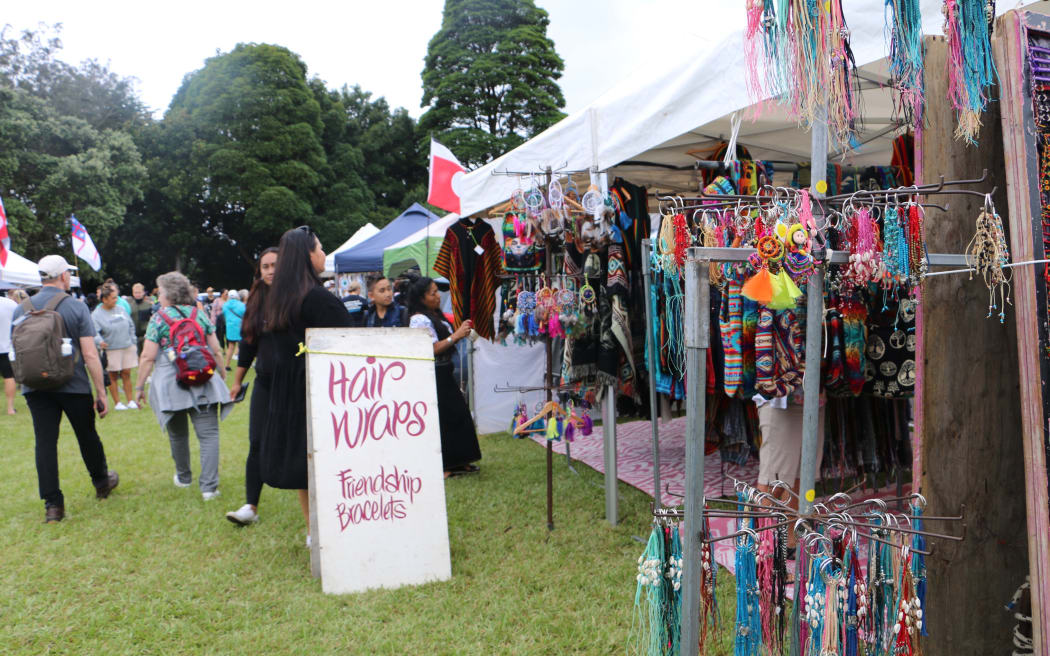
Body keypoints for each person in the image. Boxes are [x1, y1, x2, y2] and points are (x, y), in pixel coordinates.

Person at [255, 226, 352, 543]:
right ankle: (334, 525)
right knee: (326, 457)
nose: (324, 254)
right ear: (307, 256)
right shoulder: (316, 298)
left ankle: (313, 529)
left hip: (291, 390)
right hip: (322, 389)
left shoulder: (281, 298)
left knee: (305, 459)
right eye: (321, 247)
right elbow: (351, 342)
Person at [13, 255, 118, 523]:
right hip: (73, 385)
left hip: (35, 386)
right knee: (87, 435)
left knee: (45, 444)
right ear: (63, 276)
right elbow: (90, 354)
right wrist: (101, 391)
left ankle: (53, 506)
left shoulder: (21, 308)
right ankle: (101, 482)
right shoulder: (76, 307)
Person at [135, 271, 229, 500]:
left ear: (167, 293)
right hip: (203, 377)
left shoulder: (159, 318)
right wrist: (221, 371)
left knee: (178, 435)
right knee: (208, 435)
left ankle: (184, 477)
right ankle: (209, 488)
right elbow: (215, 348)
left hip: (171, 381)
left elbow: (148, 356)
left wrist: (139, 388)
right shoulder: (199, 314)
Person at [406, 276, 481, 478]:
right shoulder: (418, 319)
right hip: (433, 375)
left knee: (458, 416)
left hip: (444, 372)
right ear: (422, 298)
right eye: (433, 293)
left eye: (437, 291)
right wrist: (454, 336)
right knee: (444, 421)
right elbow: (429, 348)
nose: (438, 296)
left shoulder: (433, 315)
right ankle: (446, 465)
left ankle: (462, 460)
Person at [225, 247, 278, 526]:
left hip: (295, 385)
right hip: (265, 383)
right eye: (265, 266)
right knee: (256, 442)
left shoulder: (299, 299)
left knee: (299, 445)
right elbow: (248, 346)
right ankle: (250, 506)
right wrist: (236, 381)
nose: (270, 270)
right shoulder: (255, 303)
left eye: (274, 265)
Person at [92, 283, 139, 410]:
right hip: (111, 348)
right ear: (104, 299)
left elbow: (130, 325)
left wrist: (133, 340)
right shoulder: (97, 314)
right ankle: (118, 403)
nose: (115, 300)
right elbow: (94, 332)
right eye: (113, 298)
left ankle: (130, 401)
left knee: (126, 373)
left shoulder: (120, 309)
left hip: (126, 346)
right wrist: (99, 341)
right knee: (112, 375)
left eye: (116, 297)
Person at [0, 291, 17, 415]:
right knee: (9, 377)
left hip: (6, 347)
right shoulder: (11, 304)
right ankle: (10, 408)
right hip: (7, 347)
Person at [127, 283, 154, 355]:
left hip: (146, 335)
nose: (137, 294)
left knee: (146, 354)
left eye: (139, 292)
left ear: (143, 293)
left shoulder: (149, 305)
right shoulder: (129, 306)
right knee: (136, 355)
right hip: (134, 335)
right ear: (133, 293)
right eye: (136, 292)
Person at [222, 289, 245, 371]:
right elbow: (245, 314)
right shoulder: (241, 305)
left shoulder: (225, 305)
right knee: (242, 346)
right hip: (240, 326)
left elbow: (224, 315)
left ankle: (227, 365)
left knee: (230, 347)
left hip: (230, 327)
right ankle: (242, 365)